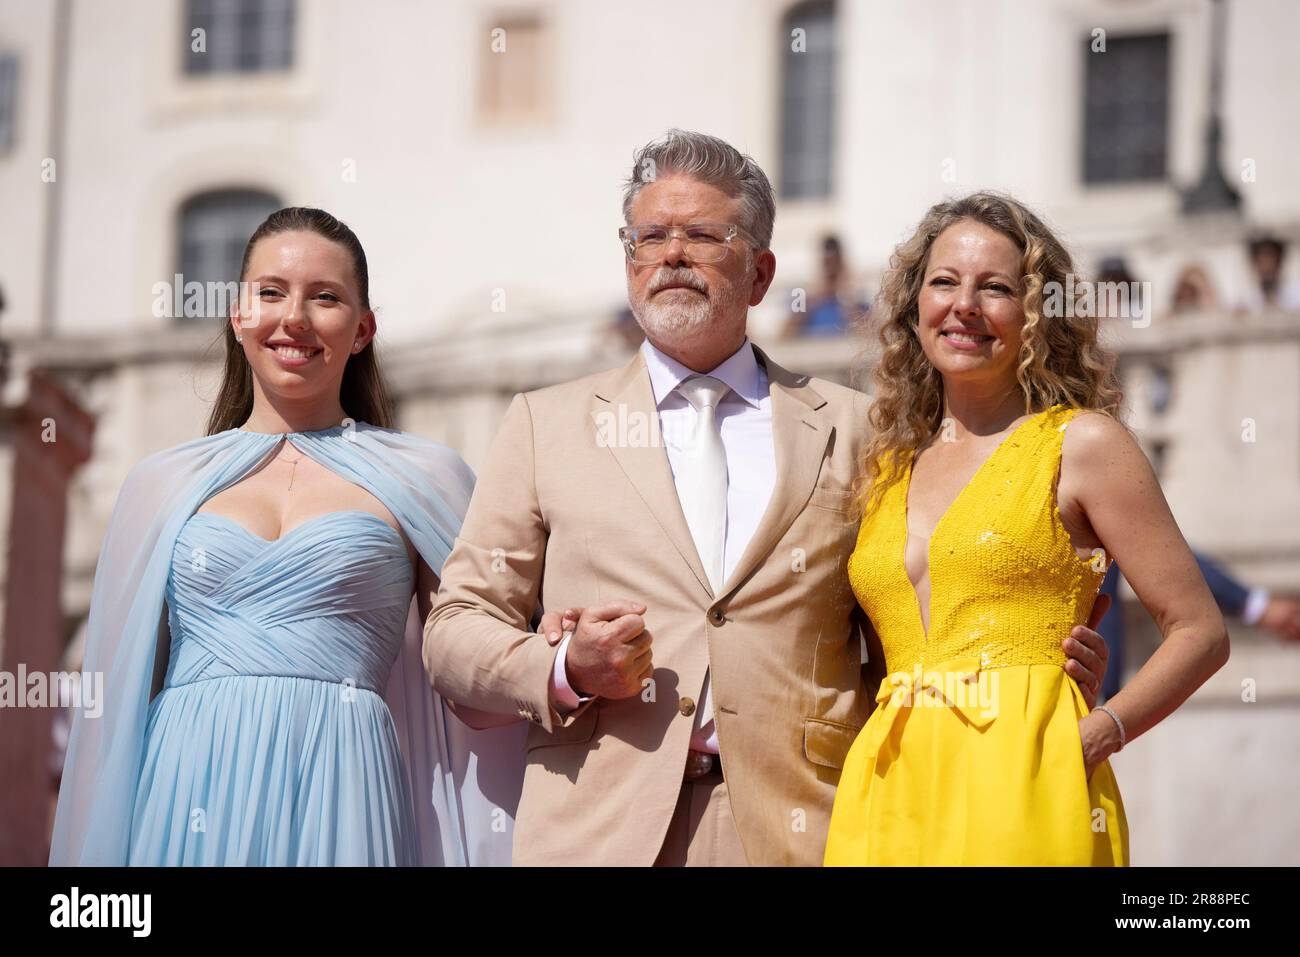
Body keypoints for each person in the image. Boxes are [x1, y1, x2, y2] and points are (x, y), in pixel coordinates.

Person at [423, 132, 1110, 866]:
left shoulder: (859, 432)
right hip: (598, 830)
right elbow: (454, 629)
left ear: (760, 272)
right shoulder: (543, 423)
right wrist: (561, 666)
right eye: (649, 236)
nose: (672, 255)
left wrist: (1033, 656)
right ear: (629, 261)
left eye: (704, 235)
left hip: (802, 833)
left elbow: (908, 619)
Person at [49, 207, 525, 865]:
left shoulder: (427, 476)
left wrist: (567, 665)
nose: (293, 317)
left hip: (347, 785)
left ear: (362, 330)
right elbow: (116, 706)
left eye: (324, 297)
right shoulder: (158, 483)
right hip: (184, 785)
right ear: (238, 316)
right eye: (270, 292)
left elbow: (478, 677)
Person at [822, 192, 1230, 866]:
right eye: (944, 282)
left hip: (1028, 777)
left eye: (996, 288)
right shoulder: (887, 465)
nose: (964, 305)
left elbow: (1201, 631)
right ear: (913, 303)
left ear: (1037, 311)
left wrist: (1098, 733)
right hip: (887, 787)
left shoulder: (1083, 444)